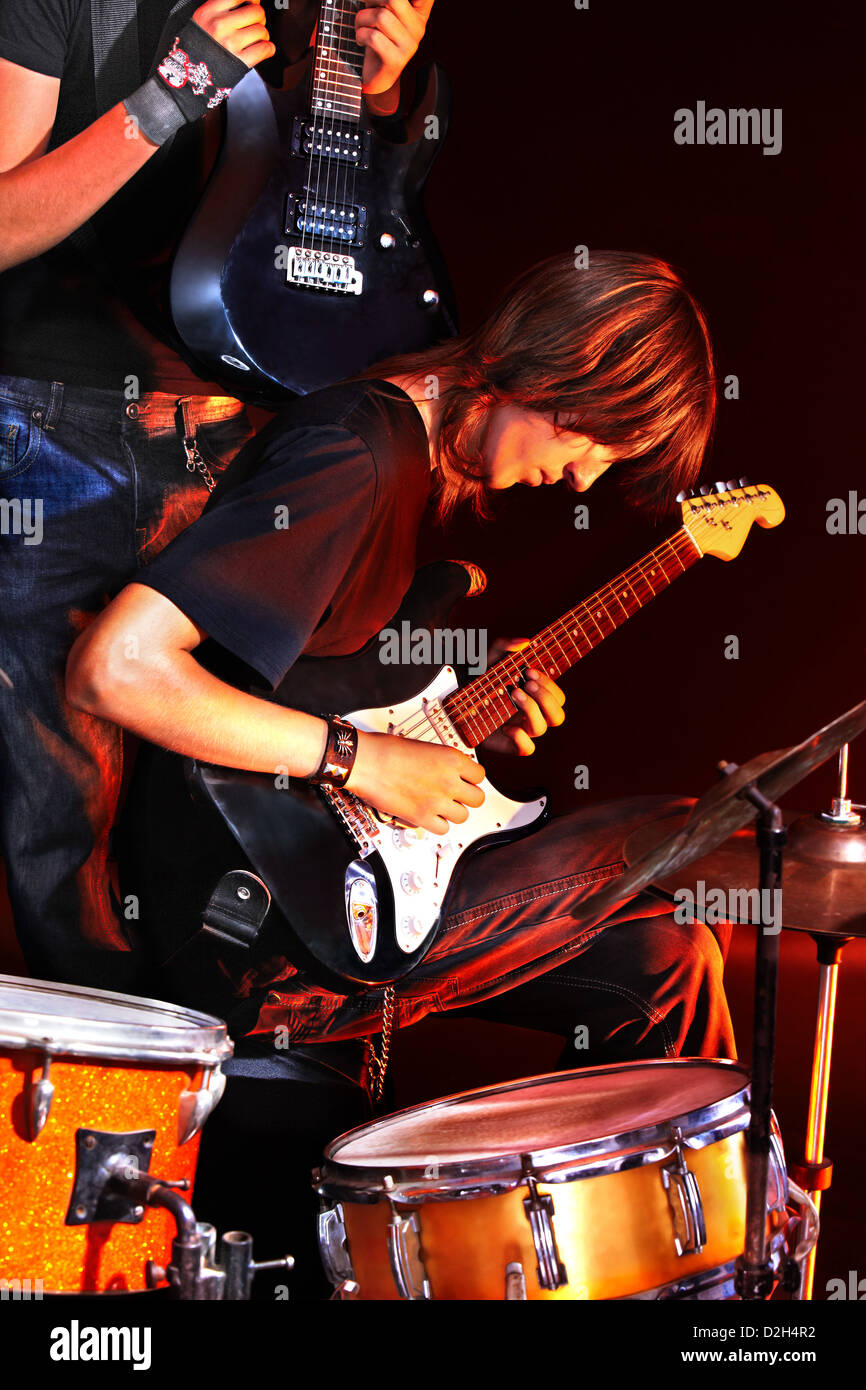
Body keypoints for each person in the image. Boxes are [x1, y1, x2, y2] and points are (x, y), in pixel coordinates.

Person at [66, 248, 735, 1297]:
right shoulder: (353, 456)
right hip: (261, 939)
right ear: (553, 373)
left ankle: (647, 1271)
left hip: (316, 884)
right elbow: (120, 668)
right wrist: (362, 757)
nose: (586, 476)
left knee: (664, 954)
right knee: (684, 834)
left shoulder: (410, 460)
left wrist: (449, 721)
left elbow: (303, 677)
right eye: (596, 440)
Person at [0, 0, 436, 989]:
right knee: (65, 863)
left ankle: (235, 1108)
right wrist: (168, 98)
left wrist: (375, 93)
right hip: (53, 424)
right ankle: (97, 1124)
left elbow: (362, 230)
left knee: (228, 834)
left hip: (252, 427)